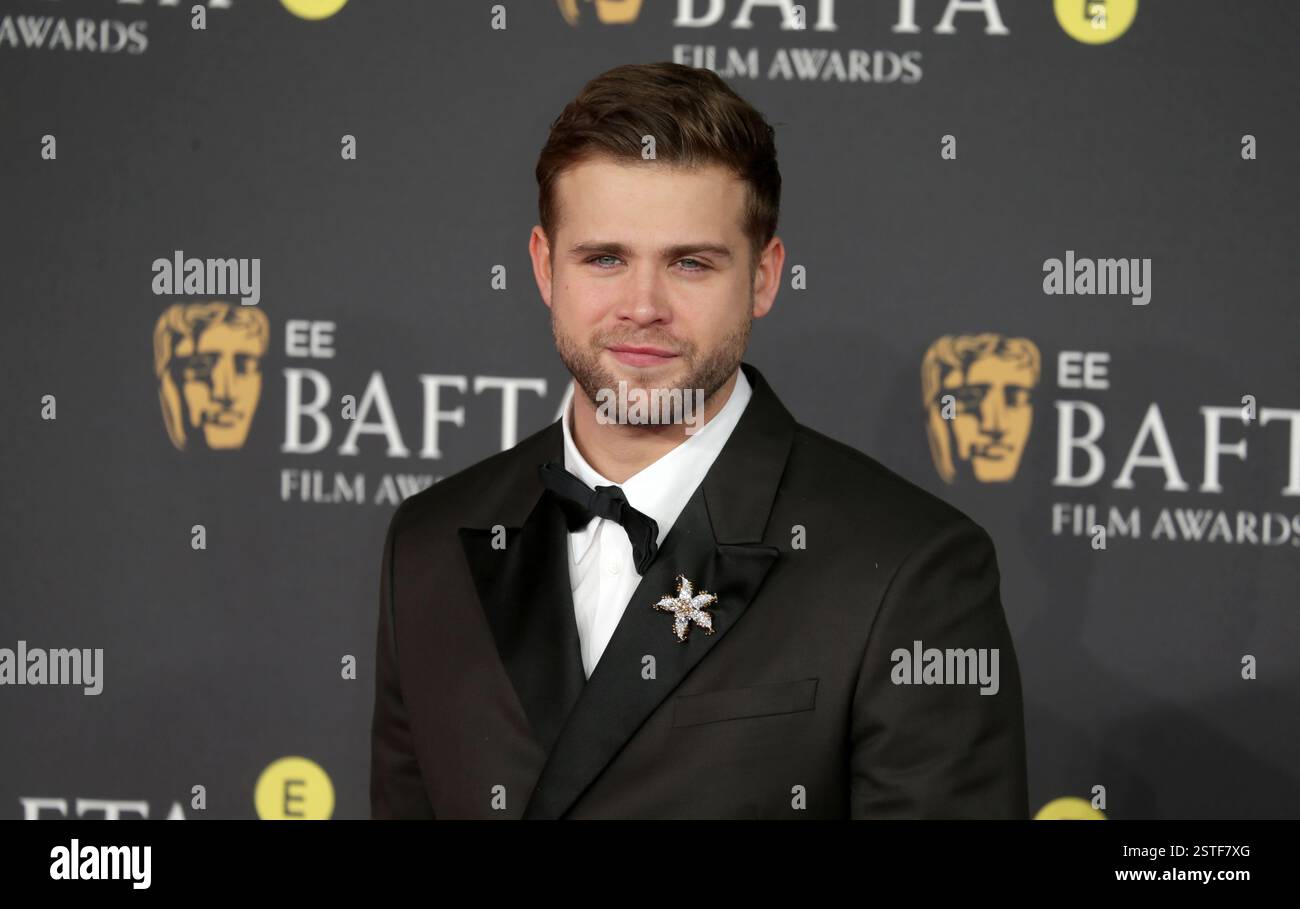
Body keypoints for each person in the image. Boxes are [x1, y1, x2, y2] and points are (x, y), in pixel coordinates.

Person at [370, 61, 1027, 819]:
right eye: (605, 258)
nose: (643, 306)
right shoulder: (427, 545)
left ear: (764, 277)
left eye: (690, 263)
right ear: (546, 268)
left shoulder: (911, 572)